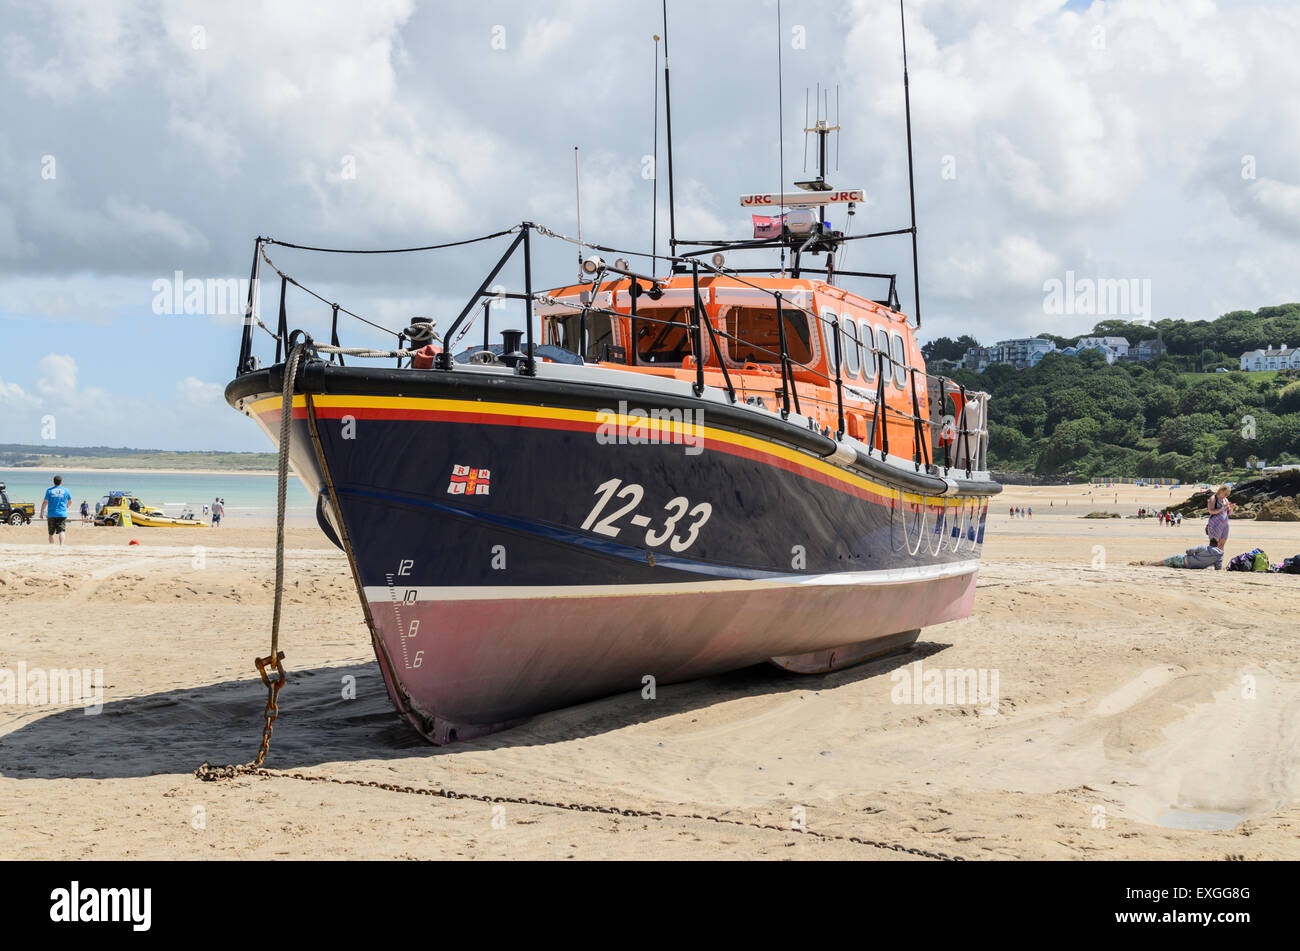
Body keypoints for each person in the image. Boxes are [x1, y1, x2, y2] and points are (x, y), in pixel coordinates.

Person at [1134, 537, 1224, 570]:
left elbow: (1188, 551)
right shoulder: (1219, 554)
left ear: (1210, 543)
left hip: (1184, 560)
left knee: (1164, 562)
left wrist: (1193, 556)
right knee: (1167, 564)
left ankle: (1150, 564)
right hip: (1190, 567)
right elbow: (1218, 567)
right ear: (1217, 544)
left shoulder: (1203, 547)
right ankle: (1153, 564)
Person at [39, 475, 72, 546]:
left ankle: (52, 546)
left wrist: (41, 512)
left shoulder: (49, 490)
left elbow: (45, 502)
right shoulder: (66, 490)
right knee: (62, 531)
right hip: (62, 514)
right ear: (61, 482)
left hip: (51, 514)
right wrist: (67, 506)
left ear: (53, 482)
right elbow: (70, 501)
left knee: (51, 533)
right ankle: (61, 545)